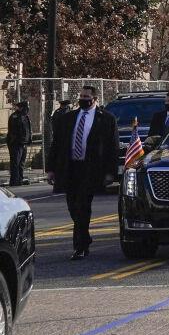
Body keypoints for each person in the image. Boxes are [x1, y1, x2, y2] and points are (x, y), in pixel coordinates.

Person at [46, 86, 116, 260]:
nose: (83, 99)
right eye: (81, 96)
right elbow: (57, 144)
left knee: (83, 206)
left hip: (90, 169)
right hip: (70, 168)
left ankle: (80, 246)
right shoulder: (68, 118)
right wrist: (51, 169)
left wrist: (110, 173)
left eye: (86, 96)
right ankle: (84, 237)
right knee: (73, 206)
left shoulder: (106, 119)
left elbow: (111, 148)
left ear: (94, 98)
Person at [7, 99, 30, 186]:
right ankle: (14, 181)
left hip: (23, 143)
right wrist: (18, 141)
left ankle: (20, 179)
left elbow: (27, 130)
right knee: (15, 163)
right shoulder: (15, 116)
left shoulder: (25, 116)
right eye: (26, 108)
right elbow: (14, 131)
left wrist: (27, 141)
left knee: (21, 163)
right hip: (16, 143)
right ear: (21, 108)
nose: (27, 109)